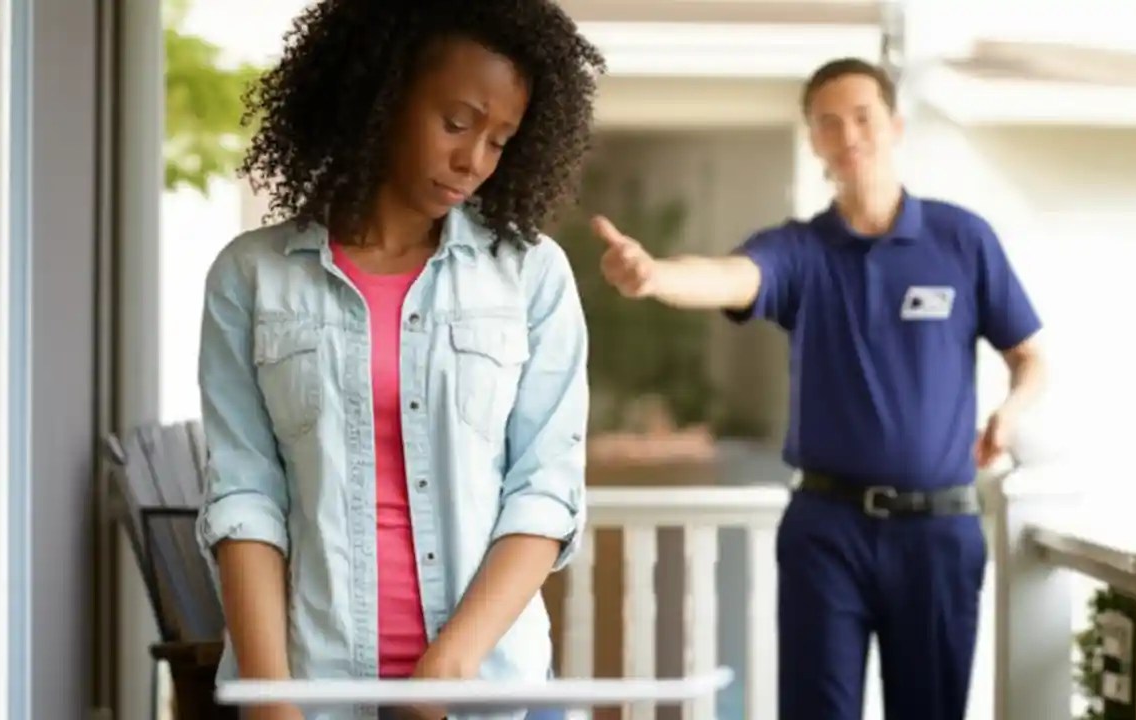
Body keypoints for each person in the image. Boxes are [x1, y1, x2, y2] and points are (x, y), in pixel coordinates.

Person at [592, 58, 1046, 720]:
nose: (848, 135)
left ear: (895, 125)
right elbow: (731, 276)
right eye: (829, 123)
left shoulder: (962, 239)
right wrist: (656, 276)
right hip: (827, 530)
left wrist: (1009, 412)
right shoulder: (800, 251)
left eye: (862, 117)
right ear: (814, 141)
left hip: (938, 533)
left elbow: (1030, 357)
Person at [195, 2, 603, 719]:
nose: (474, 161)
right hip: (315, 692)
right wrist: (270, 697)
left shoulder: (530, 276)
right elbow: (244, 496)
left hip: (487, 693)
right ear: (381, 95)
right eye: (456, 123)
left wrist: (449, 667)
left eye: (499, 140)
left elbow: (545, 489)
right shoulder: (252, 277)